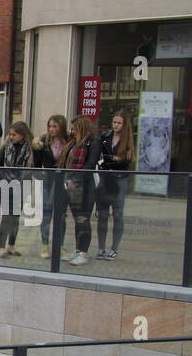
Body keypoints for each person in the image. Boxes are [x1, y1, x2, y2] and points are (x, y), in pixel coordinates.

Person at [60, 115, 101, 266]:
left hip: (85, 186)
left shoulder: (93, 142)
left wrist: (75, 179)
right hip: (70, 185)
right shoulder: (73, 143)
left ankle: (83, 252)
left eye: (74, 128)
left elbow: (90, 164)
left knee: (83, 219)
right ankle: (78, 250)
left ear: (81, 128)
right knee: (77, 219)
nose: (72, 131)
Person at [95, 109, 134, 261]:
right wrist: (113, 159)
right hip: (105, 178)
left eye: (119, 123)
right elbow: (101, 156)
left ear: (124, 125)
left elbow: (126, 161)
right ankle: (101, 248)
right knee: (102, 215)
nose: (116, 125)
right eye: (114, 122)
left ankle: (114, 249)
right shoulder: (105, 136)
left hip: (120, 179)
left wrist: (114, 160)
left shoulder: (128, 139)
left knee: (118, 214)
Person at [0, 121, 34, 259]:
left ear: (23, 135)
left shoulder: (30, 149)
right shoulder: (6, 147)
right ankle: (1, 247)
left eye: (14, 135)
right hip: (6, 185)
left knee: (15, 217)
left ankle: (11, 245)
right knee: (6, 216)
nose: (11, 137)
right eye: (10, 134)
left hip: (22, 186)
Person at [33, 114, 70, 259]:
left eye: (55, 126)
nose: (51, 129)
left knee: (61, 215)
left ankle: (59, 246)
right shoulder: (43, 141)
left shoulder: (69, 141)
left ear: (61, 127)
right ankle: (45, 245)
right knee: (47, 214)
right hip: (48, 181)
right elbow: (36, 163)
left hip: (63, 182)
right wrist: (37, 150)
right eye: (50, 126)